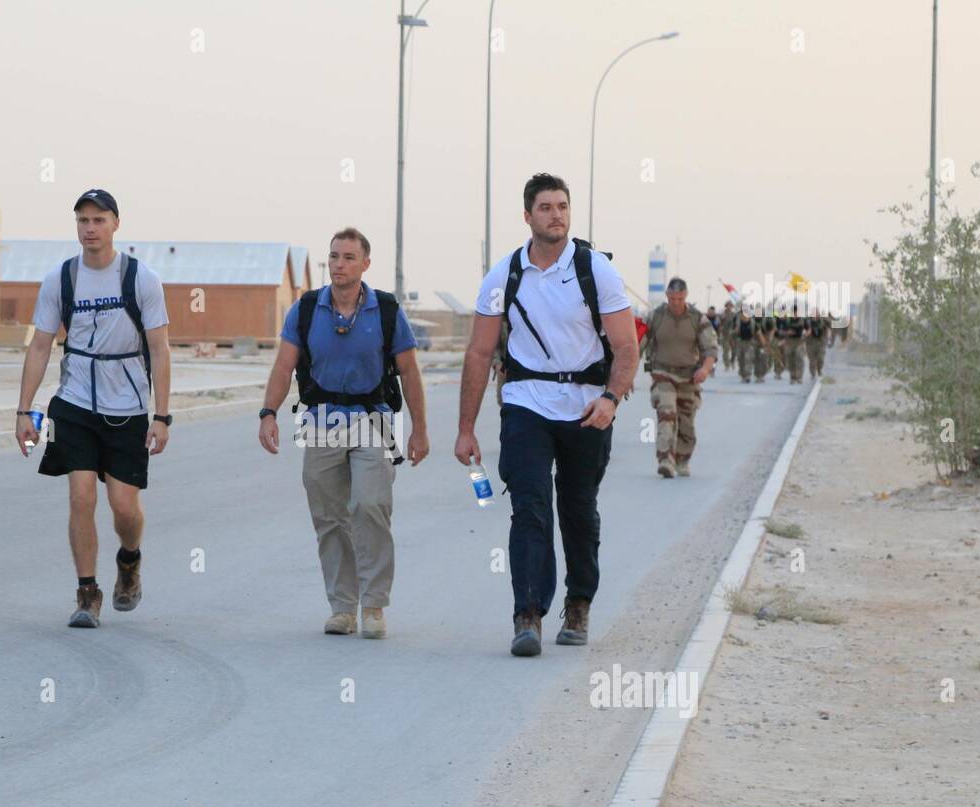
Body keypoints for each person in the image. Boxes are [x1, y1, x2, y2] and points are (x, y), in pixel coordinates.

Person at [455, 173, 639, 657]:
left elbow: (626, 347)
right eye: (545, 207)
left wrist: (611, 399)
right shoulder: (504, 275)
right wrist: (466, 428)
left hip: (587, 407)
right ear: (527, 216)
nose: (556, 215)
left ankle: (578, 604)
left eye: (562, 206)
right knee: (530, 506)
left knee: (578, 511)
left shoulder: (596, 270)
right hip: (526, 403)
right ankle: (528, 615)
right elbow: (479, 352)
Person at [258, 227, 427, 639]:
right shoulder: (306, 309)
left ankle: (374, 606)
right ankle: (342, 608)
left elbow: (409, 372)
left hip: (373, 420)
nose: (340, 264)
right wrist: (268, 413)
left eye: (349, 257)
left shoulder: (387, 310)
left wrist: (419, 430)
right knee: (330, 518)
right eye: (334, 256)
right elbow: (283, 366)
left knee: (370, 506)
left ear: (365, 264)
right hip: (321, 421)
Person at [16, 189, 173, 628]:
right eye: (83, 220)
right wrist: (24, 410)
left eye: (99, 220)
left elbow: (160, 349)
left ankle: (129, 559)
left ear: (115, 224)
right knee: (81, 496)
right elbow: (40, 346)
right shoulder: (60, 279)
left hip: (127, 405)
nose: (90, 228)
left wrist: (161, 416)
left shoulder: (141, 279)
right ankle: (87, 593)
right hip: (74, 402)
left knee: (124, 507)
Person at [642, 278, 718, 477]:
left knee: (686, 422)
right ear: (667, 296)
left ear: (686, 296)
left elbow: (711, 348)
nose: (676, 303)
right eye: (672, 299)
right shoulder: (656, 316)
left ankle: (682, 459)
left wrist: (705, 369)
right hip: (662, 374)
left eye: (680, 299)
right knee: (666, 414)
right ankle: (665, 459)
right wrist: (626, 376)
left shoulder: (697, 318)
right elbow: (637, 345)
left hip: (689, 377)